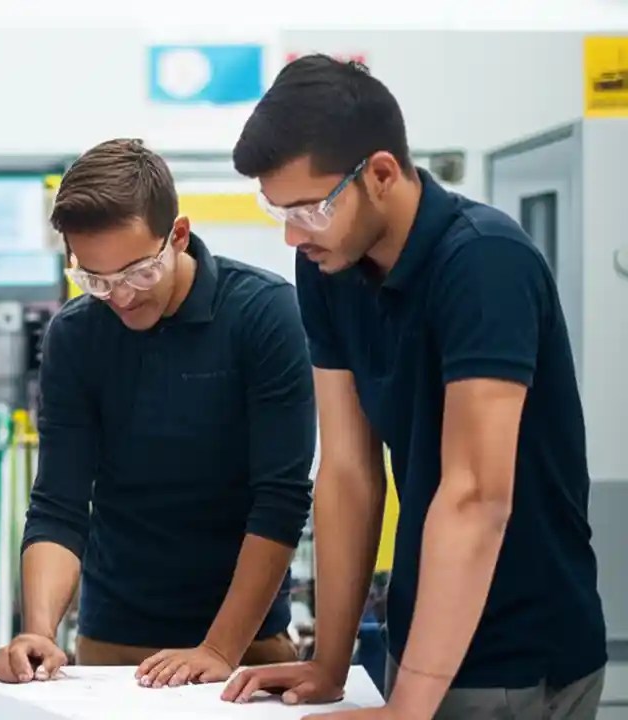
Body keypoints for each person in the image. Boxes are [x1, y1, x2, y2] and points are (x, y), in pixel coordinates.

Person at [222, 56, 606, 719]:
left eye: (309, 208)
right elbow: (348, 471)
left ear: (380, 174)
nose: (292, 233)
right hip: (419, 643)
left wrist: (407, 710)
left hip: (518, 655)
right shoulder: (329, 267)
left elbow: (477, 496)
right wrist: (330, 663)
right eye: (277, 210)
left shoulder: (485, 261)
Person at [0, 139, 316, 687]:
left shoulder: (263, 314)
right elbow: (58, 506)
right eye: (95, 280)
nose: (119, 297)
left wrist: (219, 647)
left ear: (178, 236)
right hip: (113, 645)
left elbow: (280, 500)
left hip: (245, 646)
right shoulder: (75, 337)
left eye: (138, 273)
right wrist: (39, 633)